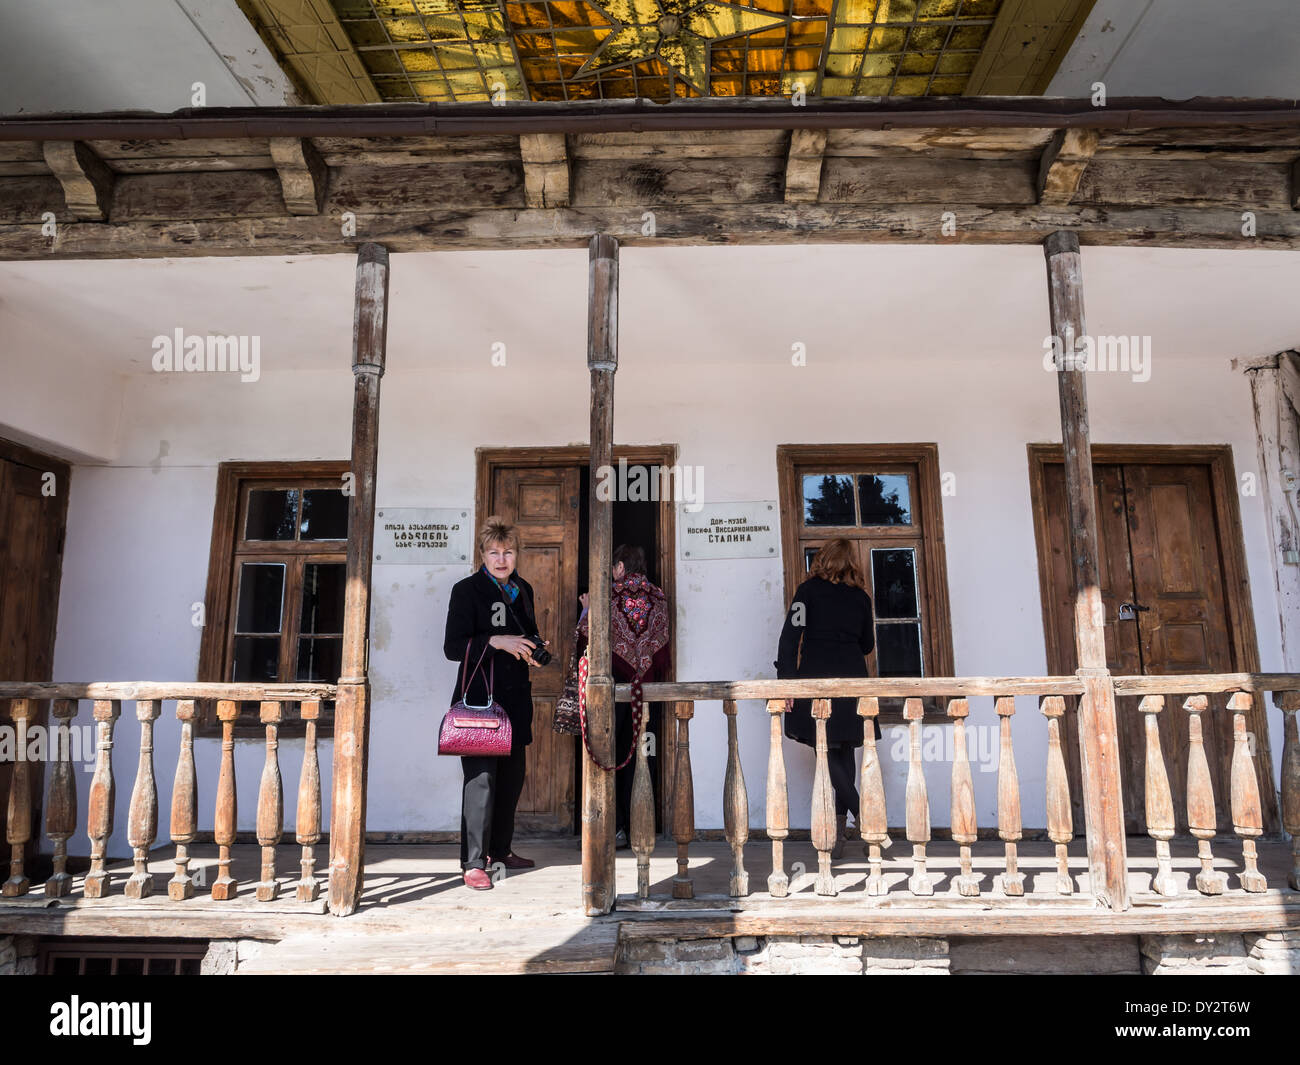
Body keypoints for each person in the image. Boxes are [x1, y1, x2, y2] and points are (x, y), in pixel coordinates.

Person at [444, 516, 549, 890]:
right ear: (482, 555)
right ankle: (473, 862)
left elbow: (530, 634)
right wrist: (495, 641)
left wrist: (536, 650)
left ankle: (501, 851)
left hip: (516, 700)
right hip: (479, 704)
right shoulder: (466, 590)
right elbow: (452, 648)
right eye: (494, 552)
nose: (501, 559)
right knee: (481, 781)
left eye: (507, 552)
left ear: (516, 554)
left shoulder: (524, 589)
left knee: (511, 780)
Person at [775, 538, 875, 859]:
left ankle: (846, 826)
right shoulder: (860, 598)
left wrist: (787, 683)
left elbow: (790, 637)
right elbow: (867, 645)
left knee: (828, 748)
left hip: (816, 679)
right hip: (851, 679)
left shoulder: (808, 593)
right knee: (842, 749)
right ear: (851, 564)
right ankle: (862, 818)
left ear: (823, 560)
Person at [574, 544, 670, 848]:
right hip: (646, 692)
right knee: (642, 755)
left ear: (618, 567)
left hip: (612, 689)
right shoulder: (658, 596)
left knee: (609, 756)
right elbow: (664, 651)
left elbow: (585, 641)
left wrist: (587, 609)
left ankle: (611, 829)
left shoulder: (608, 596)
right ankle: (640, 826)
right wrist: (648, 672)